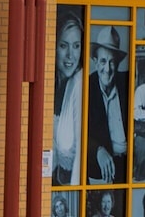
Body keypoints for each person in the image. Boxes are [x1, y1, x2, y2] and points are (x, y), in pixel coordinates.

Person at [86, 27, 129, 185]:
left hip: (129, 167)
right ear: (95, 62)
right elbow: (77, 131)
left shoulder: (127, 83)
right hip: (101, 172)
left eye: (112, 62)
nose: (107, 69)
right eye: (103, 61)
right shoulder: (86, 88)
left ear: (117, 64)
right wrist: (97, 150)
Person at [52, 11, 85, 185]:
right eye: (64, 46)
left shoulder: (79, 84)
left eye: (76, 46)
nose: (71, 55)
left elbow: (80, 151)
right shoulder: (52, 83)